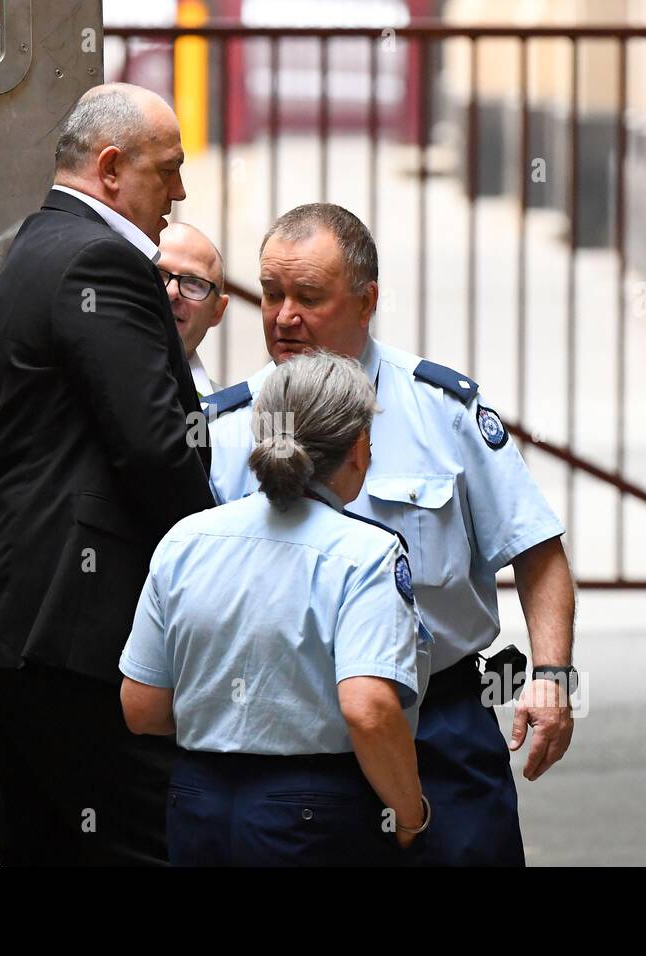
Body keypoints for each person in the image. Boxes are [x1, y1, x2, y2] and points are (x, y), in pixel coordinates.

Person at [203, 203, 577, 866]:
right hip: (291, 737)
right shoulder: (228, 428)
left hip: (438, 724)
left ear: (366, 300)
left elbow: (536, 549)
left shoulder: (441, 411)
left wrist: (550, 675)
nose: (283, 317)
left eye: (308, 297)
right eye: (270, 293)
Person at [0, 83, 216, 866]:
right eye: (167, 170)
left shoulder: (39, 245)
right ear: (111, 167)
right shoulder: (100, 257)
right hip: (72, 632)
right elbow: (154, 447)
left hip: (23, 627)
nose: (178, 191)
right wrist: (222, 554)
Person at [120, 351, 432, 866]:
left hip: (198, 805)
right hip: (316, 812)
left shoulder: (185, 540)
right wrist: (409, 816)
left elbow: (142, 708)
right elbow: (368, 709)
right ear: (357, 449)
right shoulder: (366, 555)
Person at [156, 221, 229, 397]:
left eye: (193, 283)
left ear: (217, 311)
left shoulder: (234, 419)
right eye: (157, 273)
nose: (172, 292)